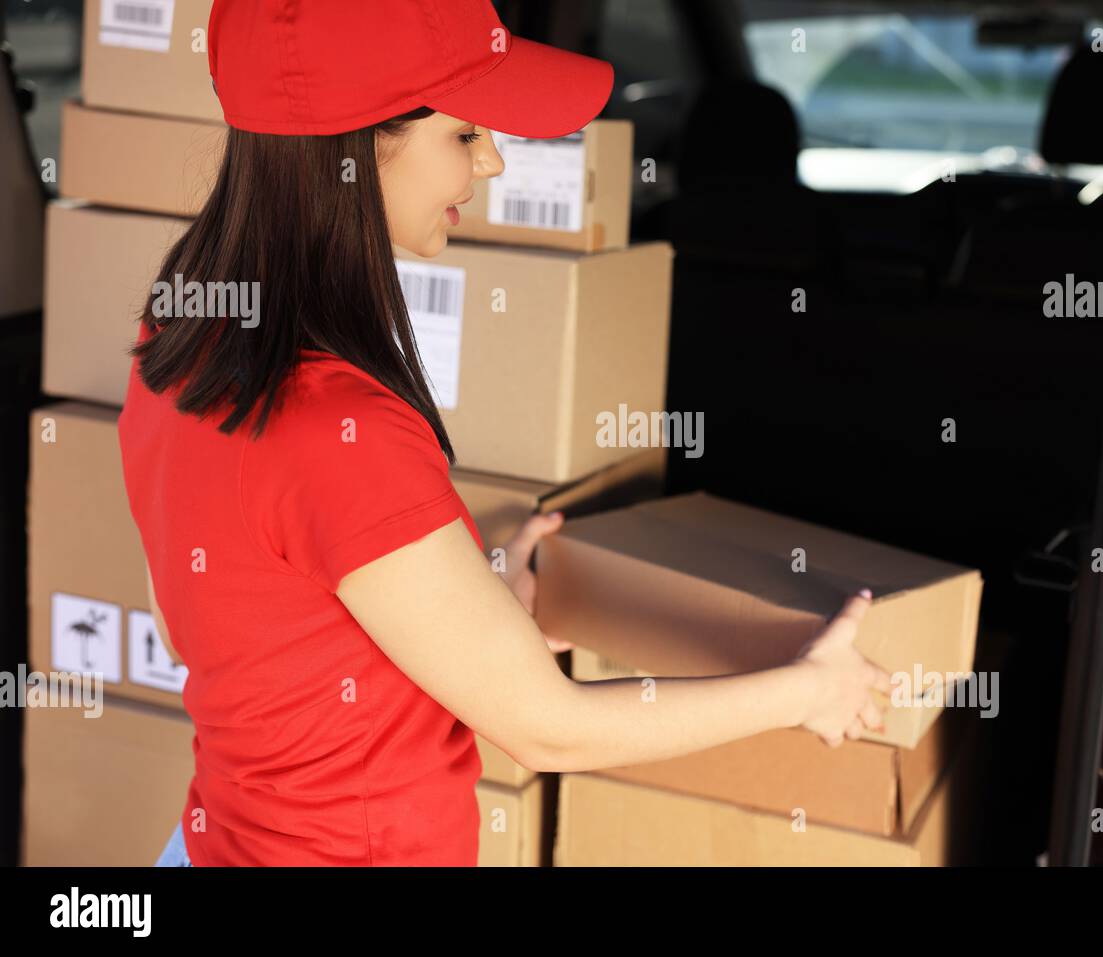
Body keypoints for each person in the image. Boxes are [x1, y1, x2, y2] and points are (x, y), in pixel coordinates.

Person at [125, 0, 891, 867]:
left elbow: (212, 616)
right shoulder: (340, 425)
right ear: (357, 145)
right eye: (462, 136)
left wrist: (459, 602)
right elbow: (550, 730)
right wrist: (807, 691)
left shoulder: (182, 341)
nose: (490, 161)